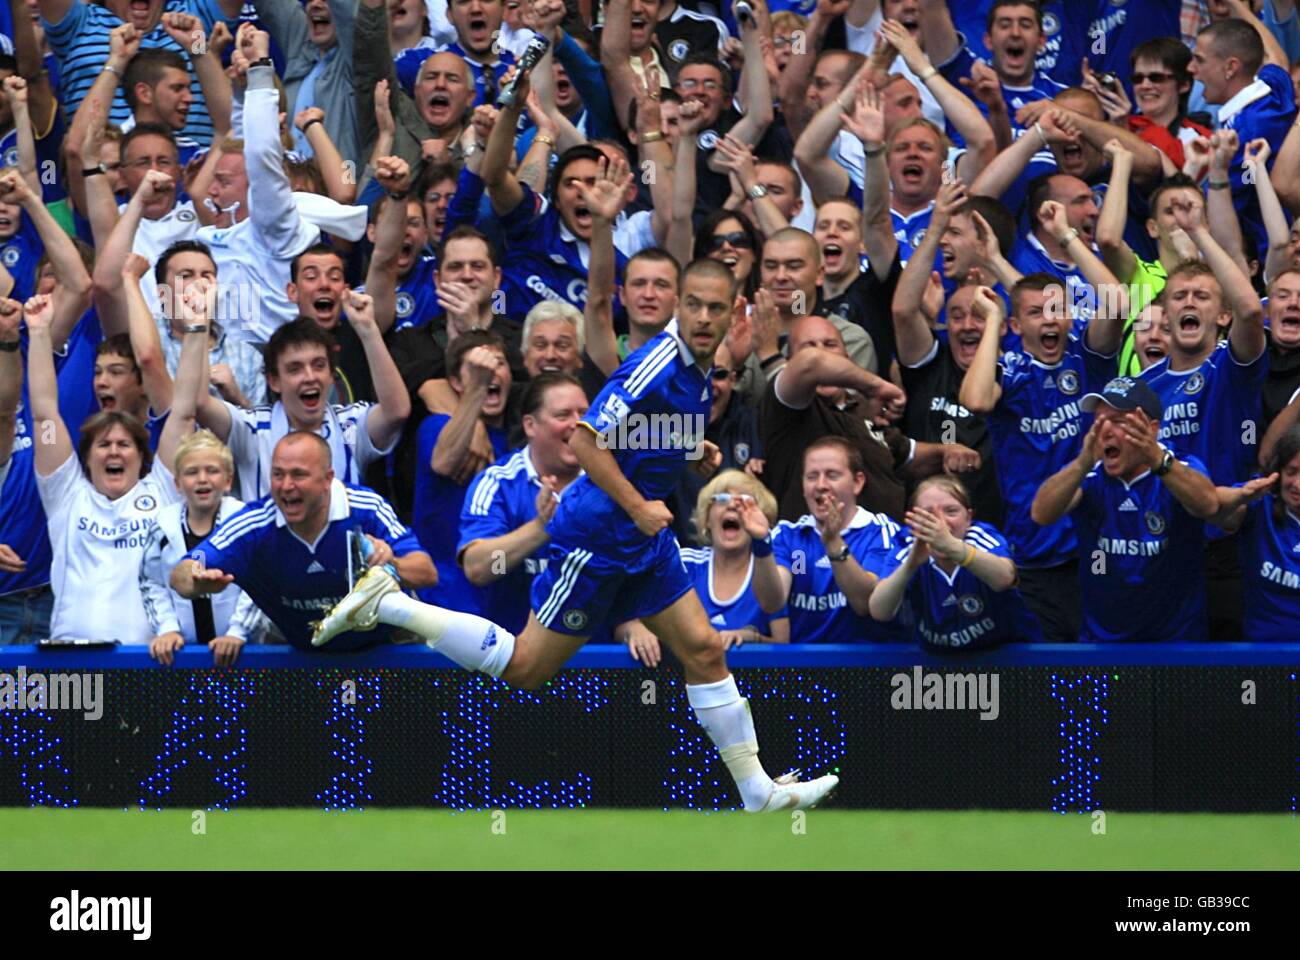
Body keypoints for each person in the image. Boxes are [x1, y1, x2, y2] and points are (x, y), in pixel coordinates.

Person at [307, 259, 841, 813]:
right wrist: (637, 506)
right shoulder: (653, 364)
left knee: (705, 650)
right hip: (600, 536)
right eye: (693, 305)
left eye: (714, 307)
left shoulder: (702, 365)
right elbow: (587, 442)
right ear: (679, 306)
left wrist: (689, 448)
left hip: (640, 540)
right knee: (528, 668)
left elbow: (639, 432)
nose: (703, 318)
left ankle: (758, 793)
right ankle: (393, 605)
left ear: (734, 311)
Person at [26, 285, 195, 644]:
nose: (114, 452)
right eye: (104, 445)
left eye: (124, 445)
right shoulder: (66, 493)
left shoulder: (163, 489)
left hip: (149, 664)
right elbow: (44, 418)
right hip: (71, 665)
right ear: (86, 457)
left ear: (142, 455)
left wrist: (196, 329)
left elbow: (182, 414)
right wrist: (40, 333)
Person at [171, 431, 438, 651]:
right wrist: (197, 578)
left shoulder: (365, 508)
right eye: (278, 474)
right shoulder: (254, 524)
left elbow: (426, 572)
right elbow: (185, 570)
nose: (286, 486)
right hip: (299, 651)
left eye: (298, 475)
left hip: (385, 646)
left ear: (327, 479)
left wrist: (391, 563)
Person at [1030, 377, 1220, 642]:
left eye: (1119, 422)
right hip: (1102, 643)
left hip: (1177, 644)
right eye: (1099, 420)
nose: (1105, 430)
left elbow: (1208, 505)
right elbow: (1041, 513)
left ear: (1151, 429)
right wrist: (1083, 461)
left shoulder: (1180, 466)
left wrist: (1156, 458)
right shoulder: (1089, 474)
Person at [753, 436, 908, 644]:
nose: (821, 485)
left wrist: (833, 543)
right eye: (812, 476)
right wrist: (761, 544)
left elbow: (865, 604)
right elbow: (772, 603)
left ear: (858, 482)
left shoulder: (883, 533)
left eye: (832, 475)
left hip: (869, 667)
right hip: (806, 668)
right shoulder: (788, 535)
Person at [141, 428, 265, 666]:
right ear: (177, 483)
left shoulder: (245, 520)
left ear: (228, 481)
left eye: (212, 471)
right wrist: (167, 629)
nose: (202, 479)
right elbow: (151, 582)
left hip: (243, 653)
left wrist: (237, 632)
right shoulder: (163, 524)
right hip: (180, 656)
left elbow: (260, 582)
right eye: (191, 472)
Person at [870, 475, 1039, 649]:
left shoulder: (980, 536)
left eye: (951, 511)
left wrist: (951, 545)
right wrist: (910, 565)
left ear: (968, 518)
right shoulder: (907, 544)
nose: (940, 522)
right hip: (936, 666)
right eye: (927, 514)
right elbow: (879, 611)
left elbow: (1005, 577)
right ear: (913, 521)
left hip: (1007, 659)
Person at [678, 470, 789, 651]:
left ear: (763, 521)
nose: (732, 506)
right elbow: (639, 620)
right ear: (706, 519)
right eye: (722, 499)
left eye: (745, 502)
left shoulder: (769, 571)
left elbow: (784, 646)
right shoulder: (685, 564)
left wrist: (752, 638)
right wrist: (635, 629)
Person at [1212, 424, 1300, 642]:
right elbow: (1213, 509)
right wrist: (1241, 496)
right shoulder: (1260, 504)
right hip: (1261, 654)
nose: (1297, 484)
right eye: (1291, 472)